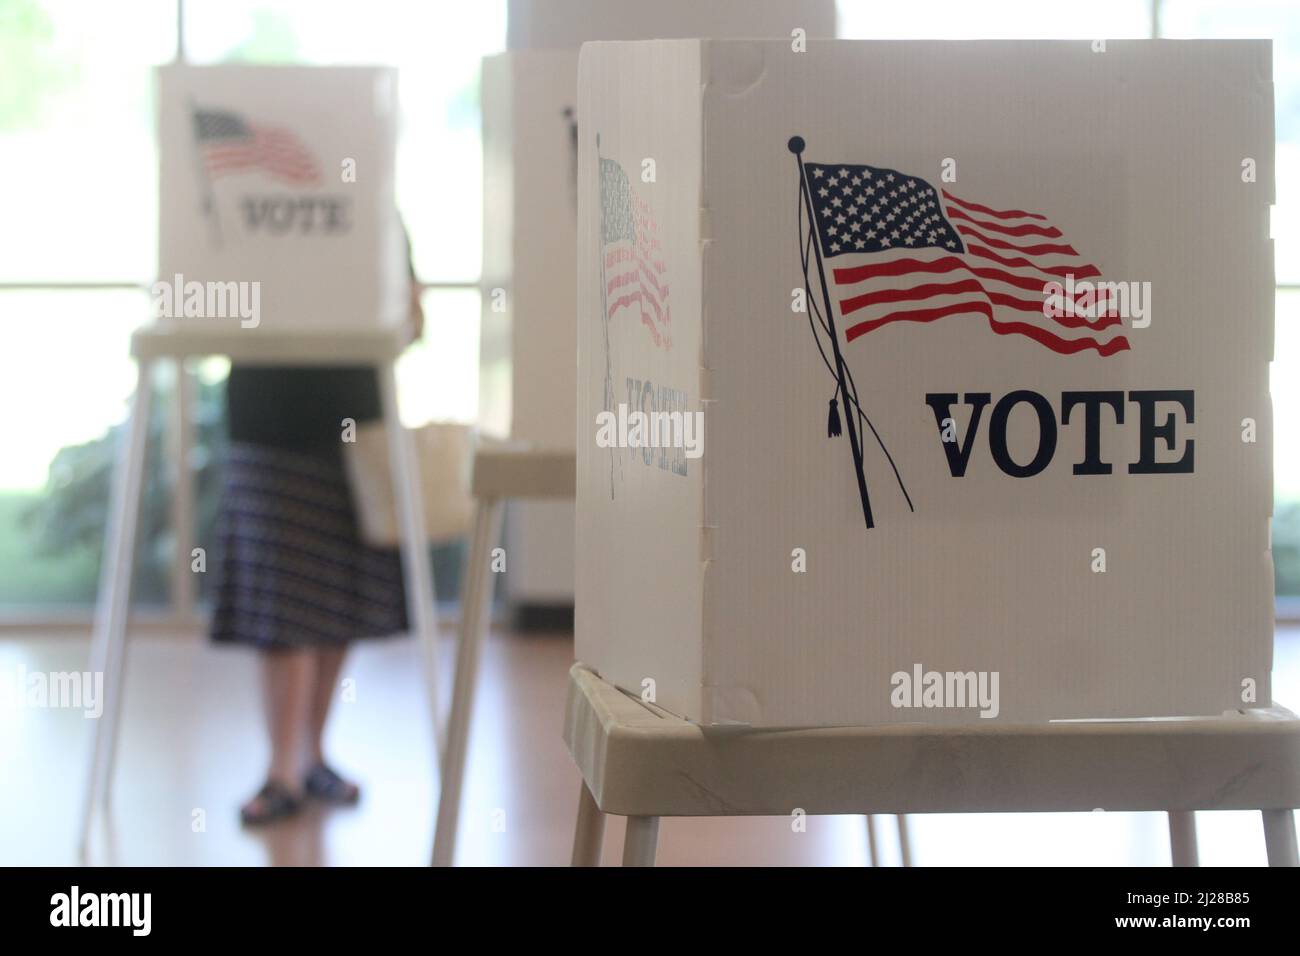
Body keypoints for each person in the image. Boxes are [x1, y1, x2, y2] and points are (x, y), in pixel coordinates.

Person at [210, 244, 425, 826]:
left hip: (351, 424)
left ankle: (307, 759)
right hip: (269, 423)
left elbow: (412, 320)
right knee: (286, 607)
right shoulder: (251, 204)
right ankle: (285, 766)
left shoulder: (369, 201)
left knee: (332, 603)